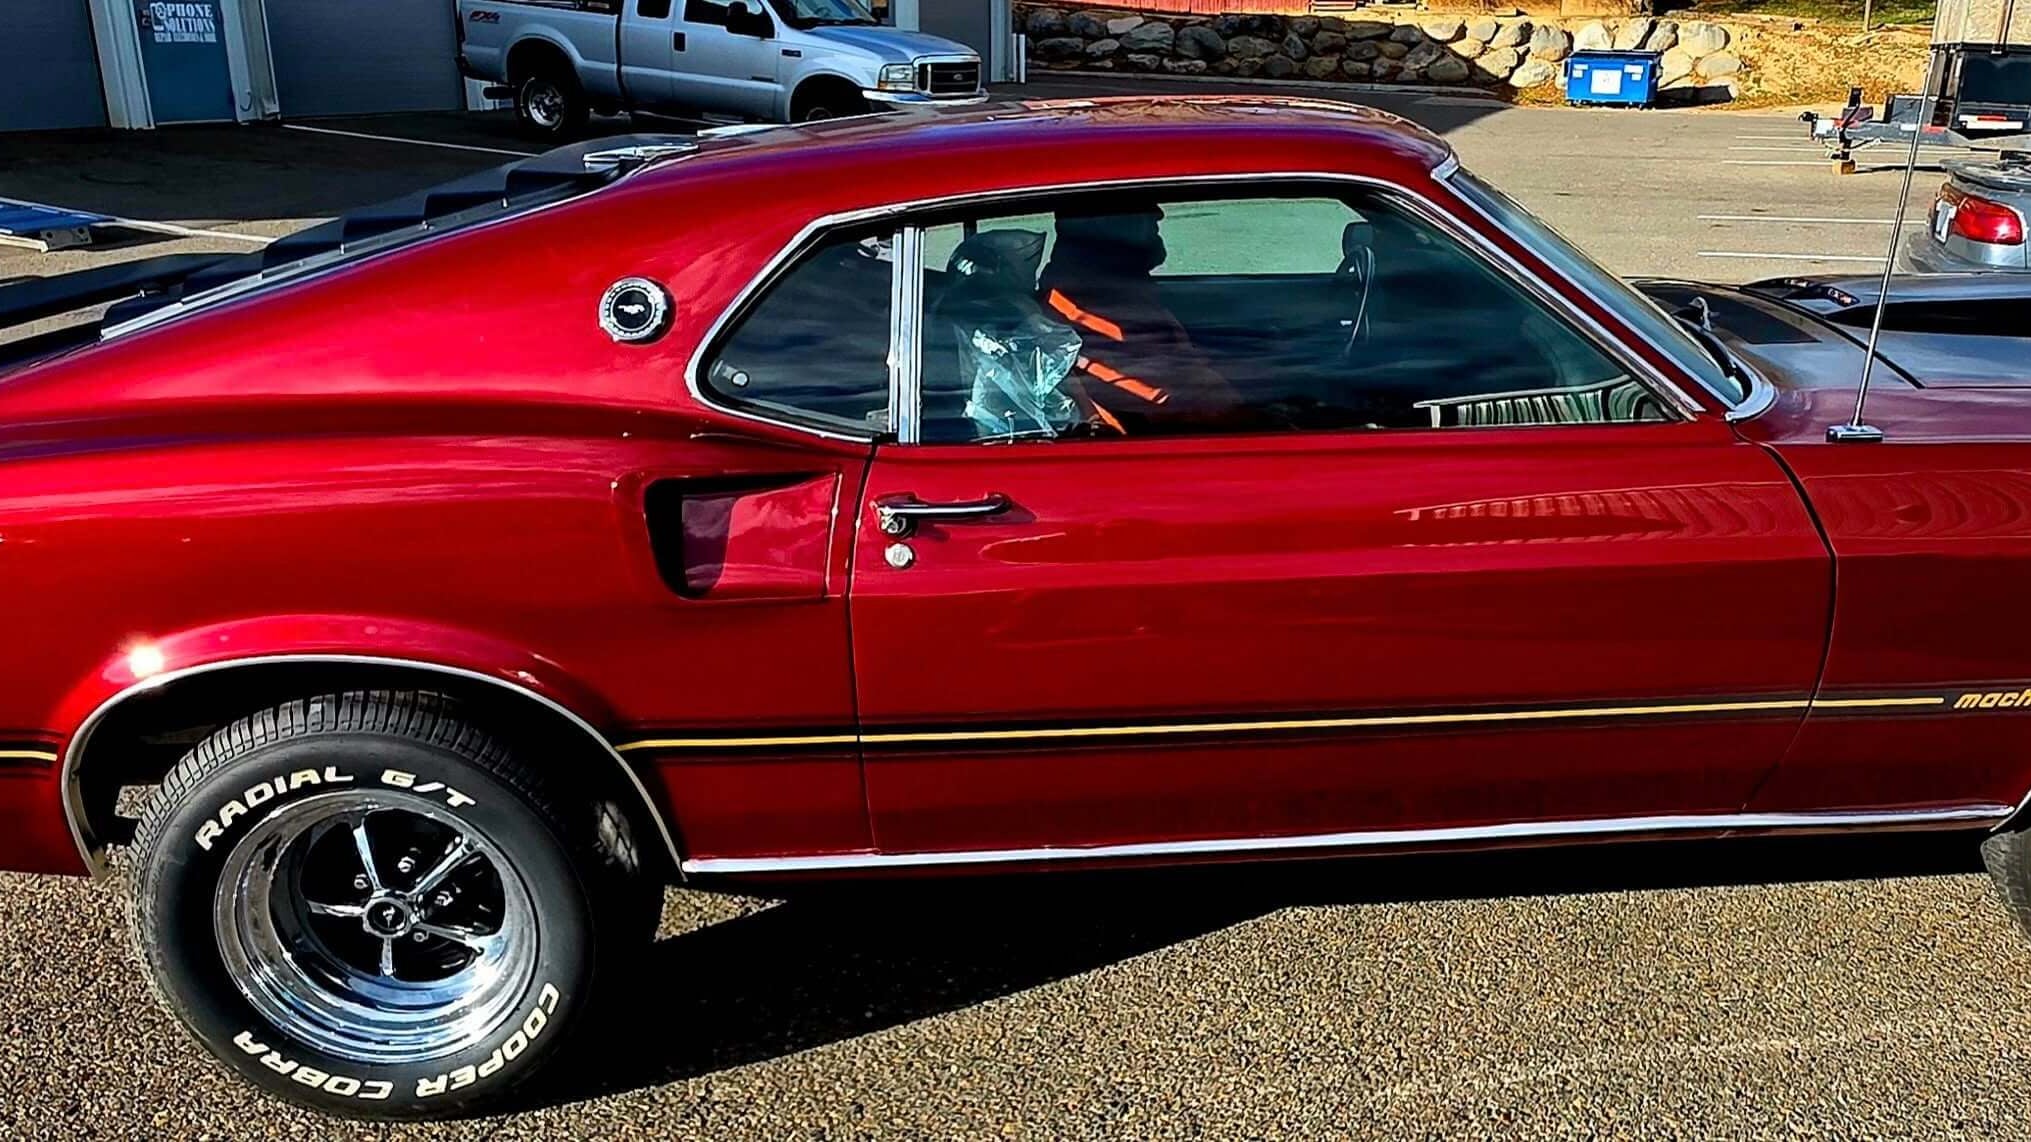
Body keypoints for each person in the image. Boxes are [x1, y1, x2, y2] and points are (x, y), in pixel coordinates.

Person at [1036, 206, 1242, 433]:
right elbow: (1190, 405)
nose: (1158, 213)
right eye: (1139, 206)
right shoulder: (1094, 314)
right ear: (1101, 225)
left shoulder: (1112, 294)